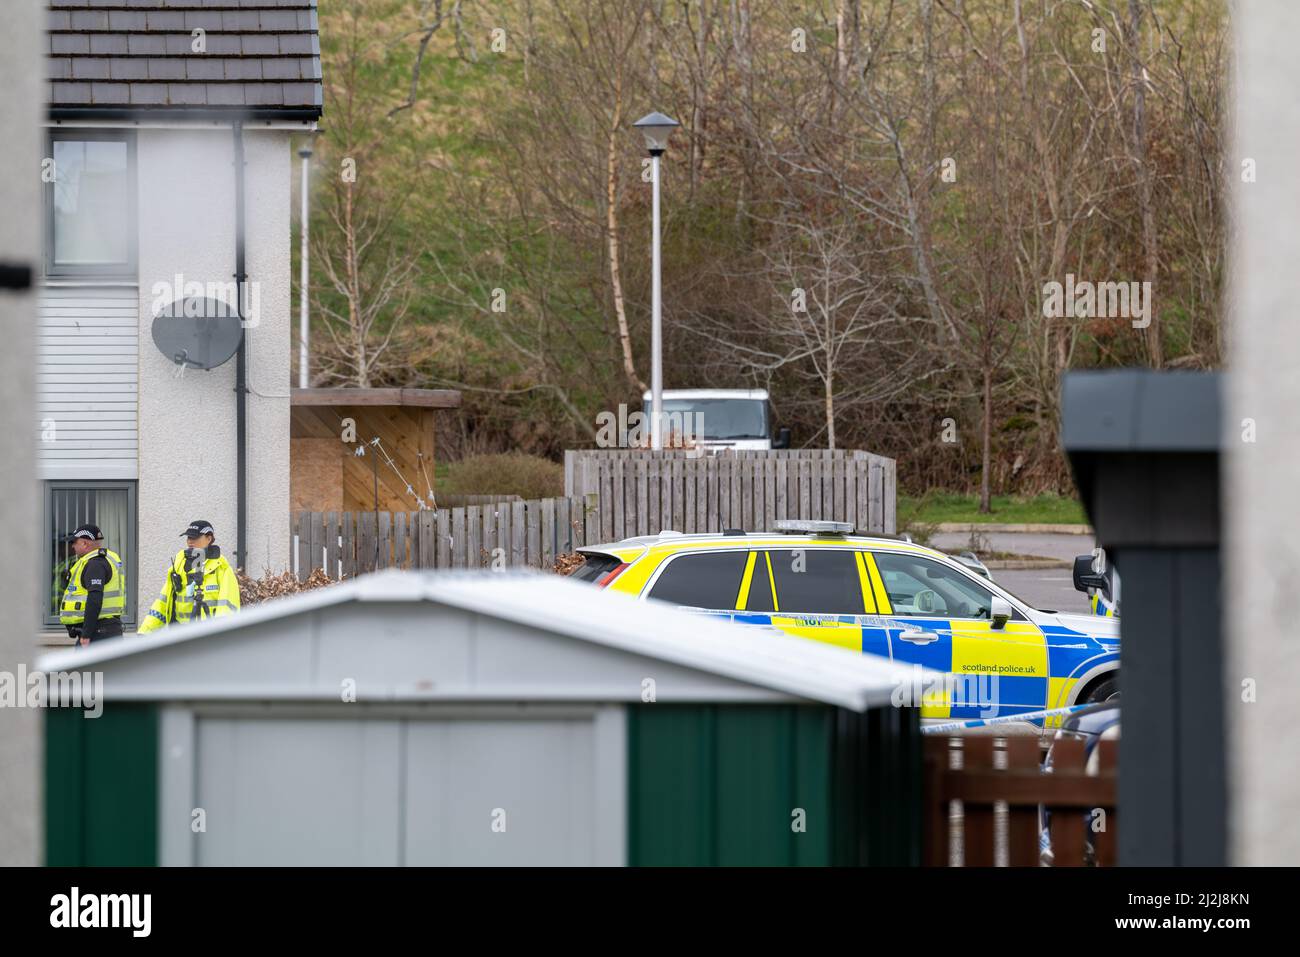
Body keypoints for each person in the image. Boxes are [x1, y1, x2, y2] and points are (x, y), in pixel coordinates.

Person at [138, 519, 241, 634]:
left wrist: (218, 637)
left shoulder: (221, 567)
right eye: (188, 538)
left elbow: (228, 608)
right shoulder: (179, 563)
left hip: (207, 636)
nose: (190, 542)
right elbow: (162, 603)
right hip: (179, 634)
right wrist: (144, 632)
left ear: (209, 538)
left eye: (195, 538)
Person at [59, 524, 126, 647]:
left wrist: (86, 635)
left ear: (85, 543)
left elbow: (95, 599)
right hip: (103, 632)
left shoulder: (95, 564)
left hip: (98, 635)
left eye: (74, 542)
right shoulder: (97, 561)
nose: (72, 546)